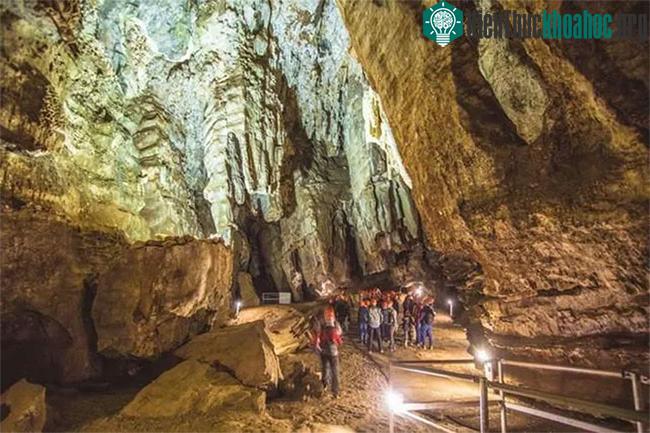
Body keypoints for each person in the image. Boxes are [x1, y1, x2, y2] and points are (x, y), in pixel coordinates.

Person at [312, 306, 343, 398]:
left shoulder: (321, 323)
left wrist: (316, 345)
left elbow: (317, 334)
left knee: (325, 369)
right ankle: (335, 392)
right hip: (333, 352)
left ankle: (324, 385)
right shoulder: (335, 324)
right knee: (335, 372)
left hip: (323, 351)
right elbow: (339, 334)